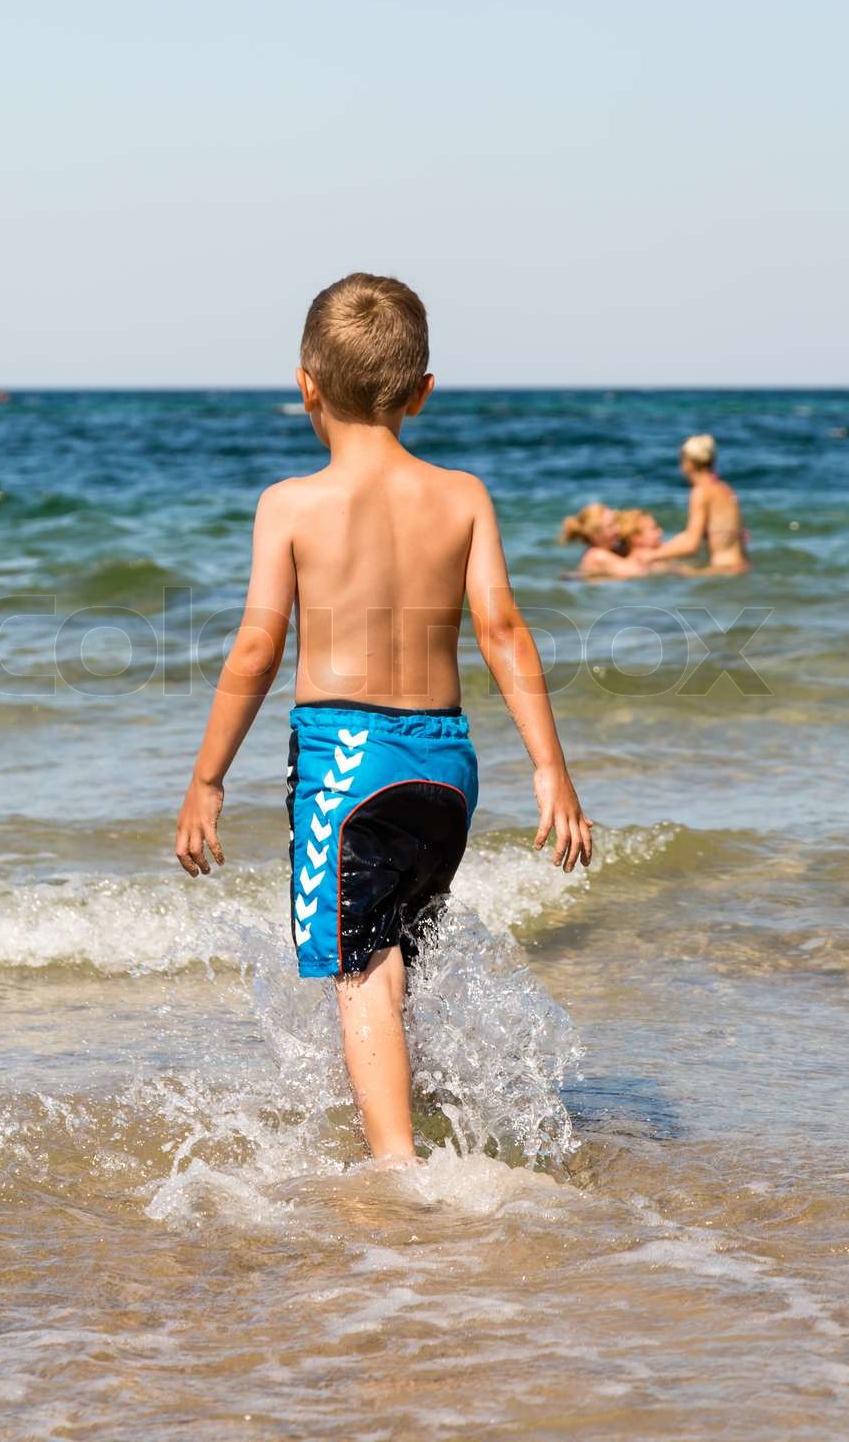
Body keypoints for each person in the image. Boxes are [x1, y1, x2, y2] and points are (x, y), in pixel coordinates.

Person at [174, 273, 592, 1165]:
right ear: (421, 393)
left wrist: (207, 779)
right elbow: (504, 633)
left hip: (347, 763)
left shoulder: (290, 505)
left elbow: (255, 651)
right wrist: (551, 772)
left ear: (305, 386)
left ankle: (397, 1173)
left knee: (360, 971)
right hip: (448, 766)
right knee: (397, 948)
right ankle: (429, 1126)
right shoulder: (464, 496)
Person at [643, 434, 750, 574]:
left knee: (664, 570)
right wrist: (662, 550)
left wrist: (651, 556)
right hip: (741, 566)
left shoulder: (701, 492)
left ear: (688, 463)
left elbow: (691, 543)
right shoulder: (724, 488)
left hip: (723, 570)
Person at [559, 502, 652, 579]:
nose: (618, 529)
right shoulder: (596, 556)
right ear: (595, 535)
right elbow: (639, 572)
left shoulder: (610, 551)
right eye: (611, 526)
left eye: (616, 522)